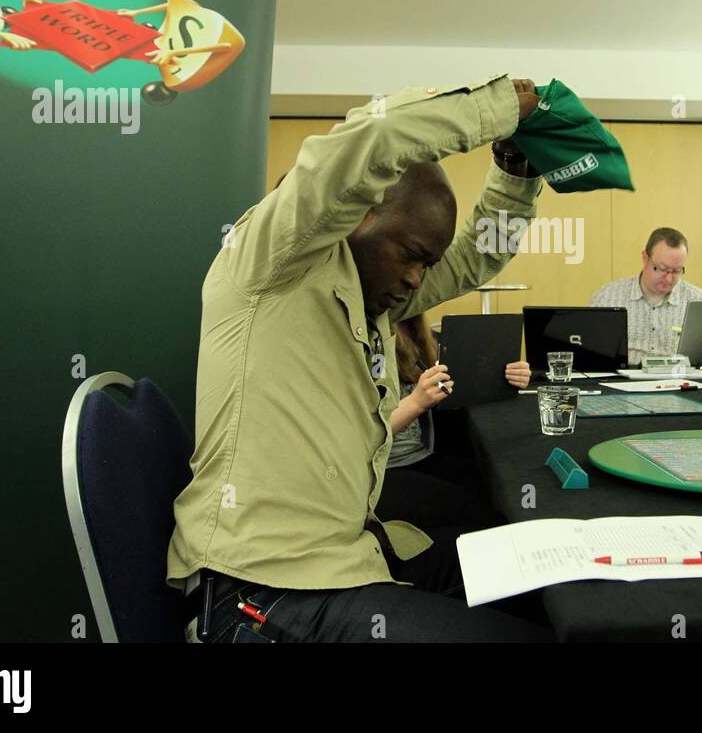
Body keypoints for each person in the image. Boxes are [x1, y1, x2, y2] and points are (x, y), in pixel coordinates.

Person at [167, 75, 555, 641]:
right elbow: (372, 141)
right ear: (362, 213)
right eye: (413, 255)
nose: (415, 279)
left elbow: (474, 259)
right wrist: (495, 109)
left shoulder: (369, 294)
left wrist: (515, 173)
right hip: (265, 595)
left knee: (541, 575)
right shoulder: (269, 266)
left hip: (348, 561)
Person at [376, 314, 528, 530]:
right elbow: (360, 436)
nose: (412, 282)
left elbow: (462, 388)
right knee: (481, 517)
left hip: (422, 456)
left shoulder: (419, 334)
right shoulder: (367, 343)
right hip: (384, 471)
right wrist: (416, 402)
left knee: (505, 491)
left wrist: (507, 377)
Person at [589, 227, 702, 364]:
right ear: (645, 258)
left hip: (677, 380)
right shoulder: (607, 298)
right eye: (662, 269)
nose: (669, 279)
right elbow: (591, 354)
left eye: (676, 271)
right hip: (622, 380)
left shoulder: (697, 301)